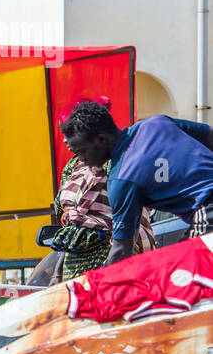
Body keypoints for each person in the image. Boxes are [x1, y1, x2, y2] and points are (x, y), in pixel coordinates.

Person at [59, 100, 213, 266]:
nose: (81, 160)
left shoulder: (122, 178)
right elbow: (210, 136)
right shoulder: (156, 123)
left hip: (208, 209)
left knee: (181, 275)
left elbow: (122, 249)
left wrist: (95, 282)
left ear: (101, 140)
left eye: (82, 152)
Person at [47, 97, 155, 279]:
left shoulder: (116, 159)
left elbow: (126, 215)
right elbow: (75, 224)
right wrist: (56, 273)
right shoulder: (72, 167)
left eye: (69, 132)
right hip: (73, 264)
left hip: (112, 252)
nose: (65, 141)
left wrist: (111, 267)